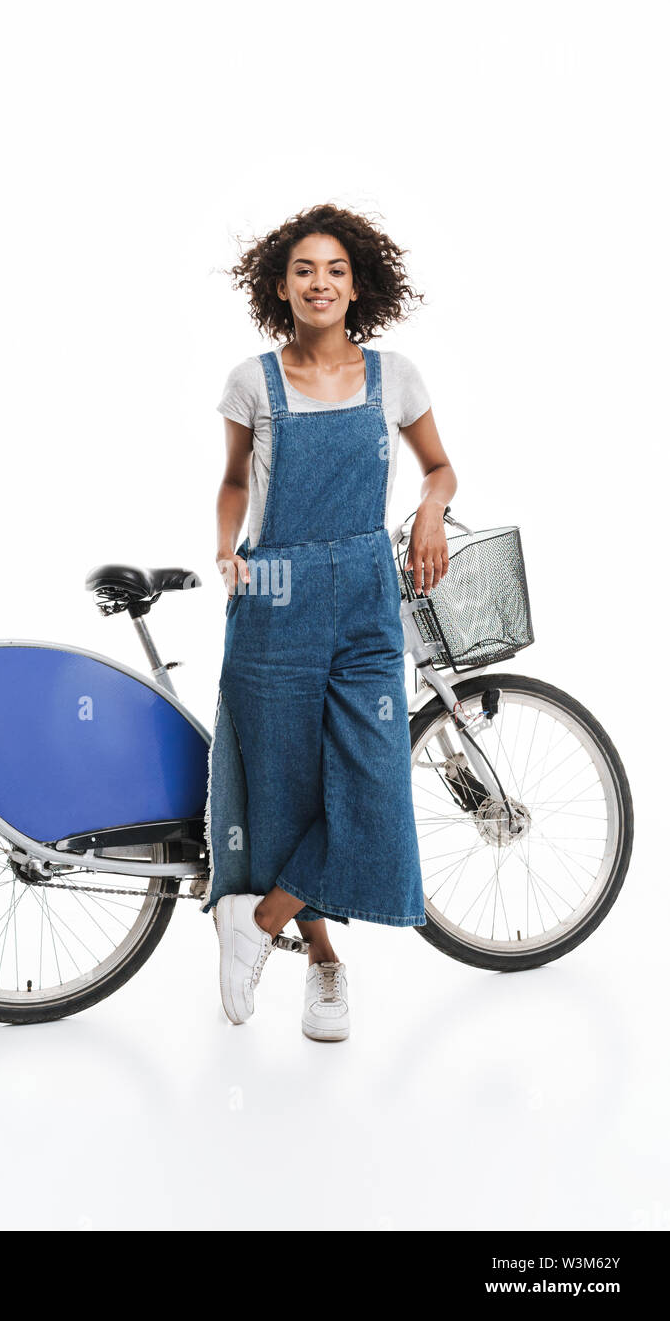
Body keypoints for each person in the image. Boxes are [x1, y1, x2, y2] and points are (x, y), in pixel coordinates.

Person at [202, 202, 457, 1041]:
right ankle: (324, 965)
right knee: (283, 794)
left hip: (364, 597)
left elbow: (442, 469)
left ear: (359, 286)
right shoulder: (253, 380)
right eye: (305, 270)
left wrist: (428, 508)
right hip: (274, 592)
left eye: (336, 271)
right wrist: (227, 547)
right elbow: (235, 481)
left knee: (374, 787)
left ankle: (257, 921)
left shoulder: (395, 377)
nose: (321, 283)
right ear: (282, 285)